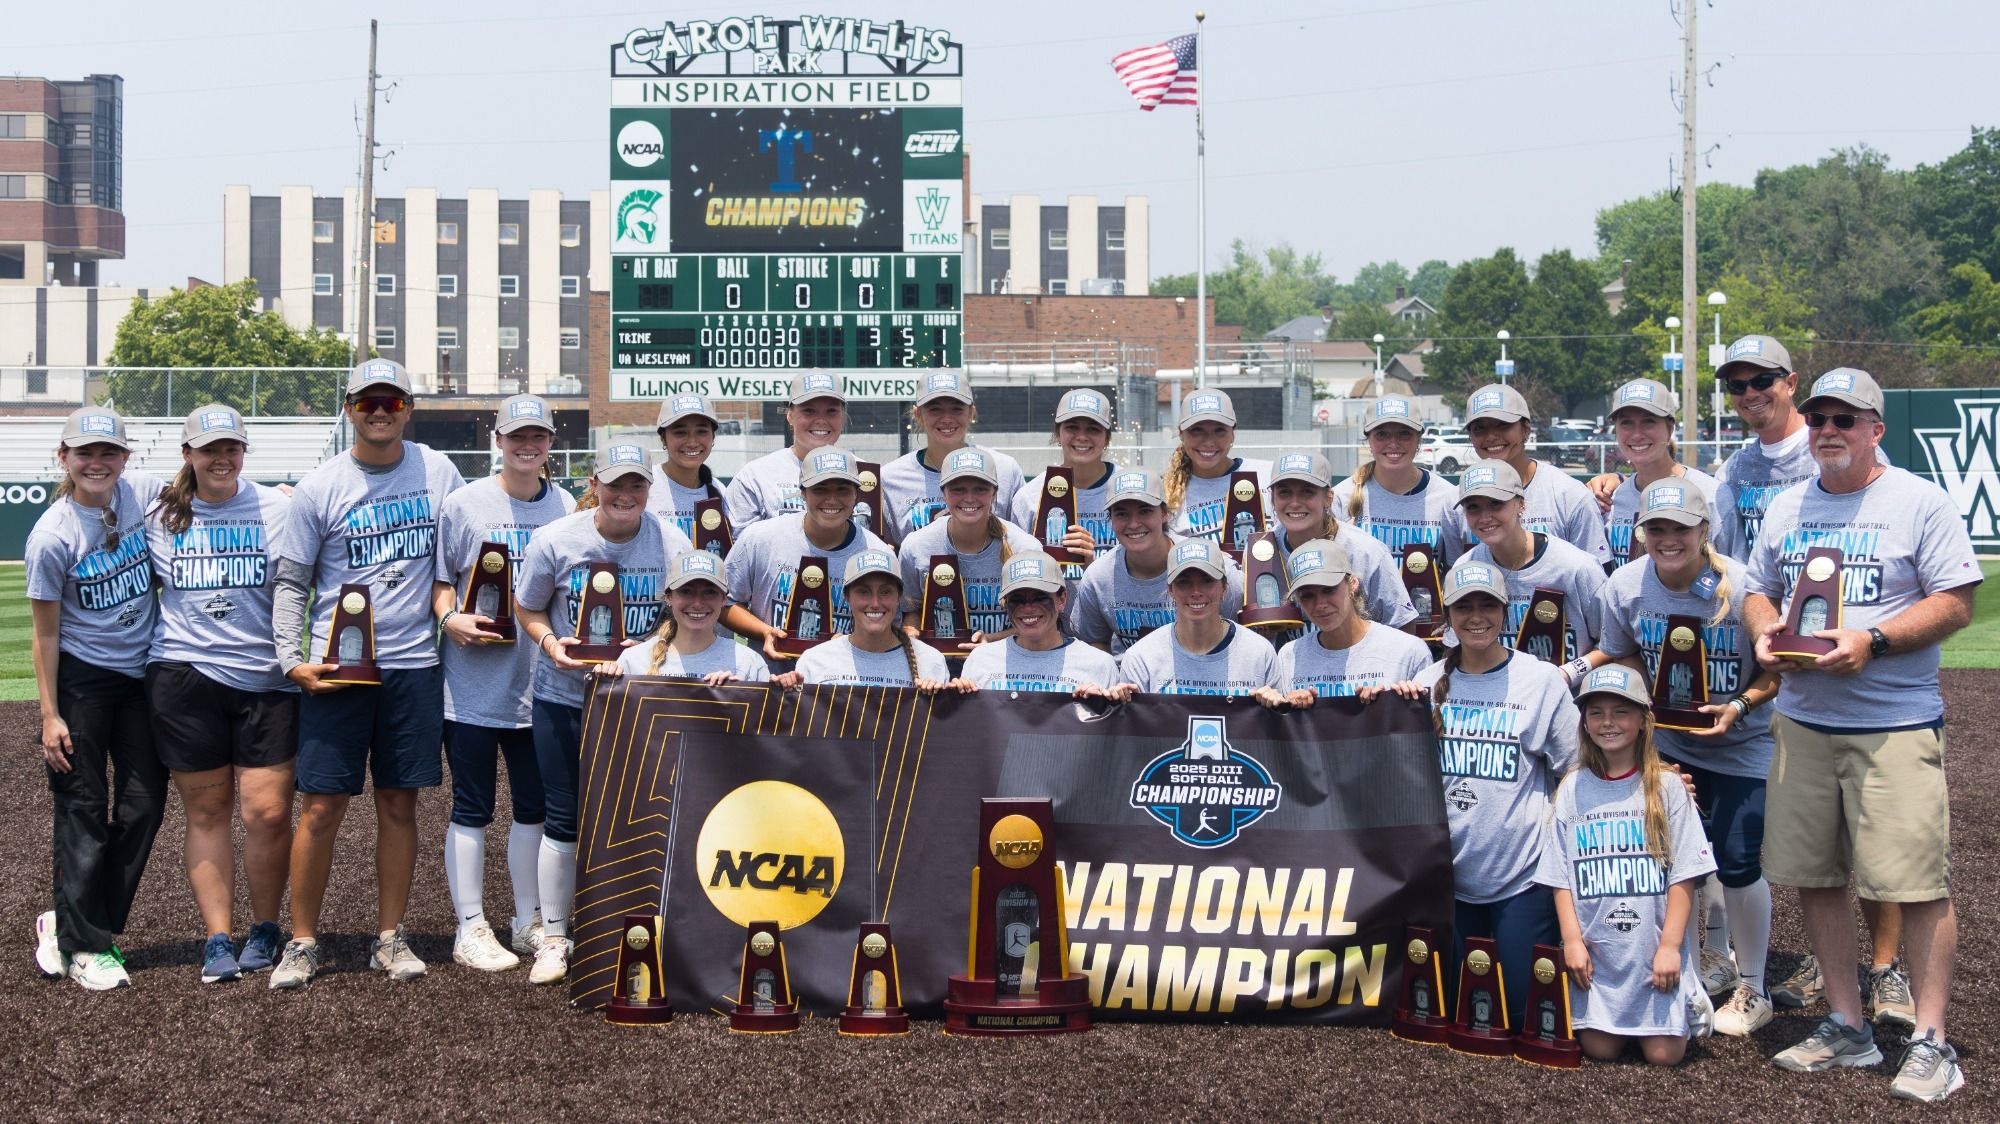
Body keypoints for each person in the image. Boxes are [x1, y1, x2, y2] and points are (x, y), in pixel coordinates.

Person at [1745, 368, 1980, 1103]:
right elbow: (1759, 587)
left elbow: (1956, 601)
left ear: (1877, 428)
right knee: (1813, 876)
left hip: (1894, 725)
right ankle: (1848, 1023)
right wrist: (1763, 632)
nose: (1829, 432)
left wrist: (1873, 641)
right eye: (1818, 419)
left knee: (1913, 884)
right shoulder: (1788, 505)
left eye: (1846, 419)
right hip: (1805, 721)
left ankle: (1932, 1040)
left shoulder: (1918, 500)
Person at [268, 359, 464, 990]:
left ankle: (390, 936)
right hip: (340, 670)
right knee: (320, 808)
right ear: (349, 408)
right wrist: (289, 658)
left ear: (408, 407)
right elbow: (292, 582)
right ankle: (301, 942)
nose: (380, 412)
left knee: (399, 805)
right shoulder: (322, 483)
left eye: (391, 401)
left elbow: (457, 562)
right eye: (367, 402)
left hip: (412, 664)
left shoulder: (438, 470)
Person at [1579, 479, 1781, 1035]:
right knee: (1672, 863)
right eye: (1656, 529)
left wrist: (1738, 705)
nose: (1668, 540)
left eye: (1680, 528)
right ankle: (1694, 975)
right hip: (1667, 745)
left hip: (1741, 744)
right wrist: (1643, 715)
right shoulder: (1625, 584)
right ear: (1642, 532)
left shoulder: (1740, 587)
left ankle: (1754, 985)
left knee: (1739, 862)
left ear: (1704, 530)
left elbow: (1776, 668)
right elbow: (1622, 656)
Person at [514, 443, 691, 986]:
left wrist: (650, 650)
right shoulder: (557, 539)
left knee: (644, 817)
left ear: (649, 489)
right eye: (616, 484)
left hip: (641, 704)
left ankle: (638, 930)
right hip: (566, 695)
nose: (625, 495)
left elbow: (686, 611)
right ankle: (553, 937)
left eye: (636, 485)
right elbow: (528, 605)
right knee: (563, 820)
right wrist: (549, 644)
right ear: (595, 483)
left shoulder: (670, 541)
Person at [141, 404, 297, 984]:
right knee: (207, 811)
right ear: (188, 454)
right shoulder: (159, 514)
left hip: (265, 679)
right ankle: (216, 937)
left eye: (231, 447)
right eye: (208, 448)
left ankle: (264, 926)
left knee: (269, 813)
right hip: (184, 679)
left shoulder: (278, 507)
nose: (221, 457)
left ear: (243, 451)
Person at [1396, 559, 1579, 1030]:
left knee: (1522, 1017)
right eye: (1464, 607)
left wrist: (1656, 780)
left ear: (1505, 612)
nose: (1476, 617)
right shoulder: (1424, 686)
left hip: (1522, 874)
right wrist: (1386, 706)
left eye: (1487, 605)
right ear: (1447, 616)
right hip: (1449, 878)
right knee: (1453, 1012)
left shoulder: (1539, 681)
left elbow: (1578, 770)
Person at [432, 393, 575, 973]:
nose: (527, 446)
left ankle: (526, 919)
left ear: (550, 443)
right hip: (470, 684)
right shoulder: (464, 504)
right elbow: (441, 582)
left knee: (533, 808)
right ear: (497, 441)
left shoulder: (566, 505)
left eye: (538, 436)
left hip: (538, 685)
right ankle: (469, 925)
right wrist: (449, 618)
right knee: (471, 806)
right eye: (517, 436)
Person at [27, 406, 166, 991]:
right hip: (83, 680)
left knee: (144, 805)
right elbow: (46, 633)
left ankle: (70, 919)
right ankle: (87, 946)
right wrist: (50, 714)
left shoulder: (140, 493)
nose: (97, 463)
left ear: (125, 459)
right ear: (64, 459)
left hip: (140, 677)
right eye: (84, 453)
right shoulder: (52, 536)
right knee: (81, 808)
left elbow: (212, 480)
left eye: (108, 453)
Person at [1540, 664, 1716, 1065]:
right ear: (1583, 722)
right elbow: (1560, 878)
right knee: (1599, 1050)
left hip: (1652, 951)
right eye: (1596, 712)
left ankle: (1689, 987)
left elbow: (1686, 876)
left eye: (1621, 711)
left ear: (1643, 719)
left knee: (1664, 1056)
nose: (1608, 722)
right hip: (1599, 953)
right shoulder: (1572, 787)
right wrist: (1571, 942)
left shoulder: (1669, 787)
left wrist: (1671, 948)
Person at [724, 446, 893, 663]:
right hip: (772, 683)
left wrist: (856, 641)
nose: (832, 500)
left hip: (843, 686)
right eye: (820, 489)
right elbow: (726, 603)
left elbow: (892, 623)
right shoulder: (761, 538)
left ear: (856, 495)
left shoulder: (875, 553)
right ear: (802, 492)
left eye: (843, 490)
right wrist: (764, 632)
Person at [1071, 470, 1244, 663]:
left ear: (1164, 514)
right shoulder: (1098, 578)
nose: (1134, 524)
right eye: (1122, 514)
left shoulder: (1216, 570)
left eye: (1145, 511)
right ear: (1110, 519)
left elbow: (1242, 638)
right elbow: (1096, 644)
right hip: (1132, 686)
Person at [1455, 460, 1607, 669]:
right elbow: (1455, 646)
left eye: (1496, 503)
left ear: (1521, 504)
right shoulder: (1465, 567)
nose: (1484, 517)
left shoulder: (1575, 567)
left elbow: (1613, 644)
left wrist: (1568, 674)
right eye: (1473, 507)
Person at [895, 447, 1041, 652]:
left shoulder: (1025, 549)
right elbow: (911, 609)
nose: (970, 498)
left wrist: (992, 641)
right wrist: (912, 632)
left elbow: (1043, 622)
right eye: (958, 489)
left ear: (994, 493)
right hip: (939, 667)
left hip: (1006, 665)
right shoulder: (917, 547)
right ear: (943, 494)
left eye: (980, 489)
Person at [1254, 539, 1431, 707]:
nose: (1320, 605)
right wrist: (1286, 708)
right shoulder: (1289, 656)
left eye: (1329, 589)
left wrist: (1392, 705)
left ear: (1353, 584)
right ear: (1297, 600)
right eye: (1307, 595)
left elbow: (1427, 728)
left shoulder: (1409, 651)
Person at [1265, 451, 1415, 636]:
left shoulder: (1366, 551)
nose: (1295, 503)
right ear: (1272, 499)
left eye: (1307, 492)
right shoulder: (1262, 549)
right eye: (1284, 493)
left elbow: (1402, 625)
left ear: (1328, 498)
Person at [1462, 383, 1609, 565]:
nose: (1491, 436)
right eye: (1479, 428)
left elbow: (1597, 578)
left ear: (1526, 430)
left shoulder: (1570, 495)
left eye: (1503, 425)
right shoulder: (1462, 501)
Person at [1113, 539, 1277, 697]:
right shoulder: (1141, 657)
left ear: (1225, 587)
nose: (1196, 592)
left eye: (1207, 581)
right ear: (1170, 589)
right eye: (1184, 582)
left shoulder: (1259, 653)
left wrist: (1276, 707)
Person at [880, 370, 1028, 544]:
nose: (947, 419)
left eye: (956, 409)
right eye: (935, 409)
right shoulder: (890, 479)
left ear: (971, 413)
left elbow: (1023, 541)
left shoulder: (1004, 469)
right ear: (918, 414)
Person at [777, 551, 953, 690]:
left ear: (898, 598)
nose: (875, 604)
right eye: (863, 592)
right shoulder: (815, 660)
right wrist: (784, 691)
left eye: (885, 592)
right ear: (847, 597)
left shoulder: (930, 661)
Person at [955, 552, 1120, 696]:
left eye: (1040, 597)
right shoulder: (981, 660)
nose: (1028, 608)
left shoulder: (1099, 665)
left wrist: (1097, 705)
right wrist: (958, 700)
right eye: (1017, 599)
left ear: (1062, 599)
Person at [1335, 395, 1469, 568]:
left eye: (1404, 434)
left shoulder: (1447, 498)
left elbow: (1457, 571)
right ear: (1368, 438)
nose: (1393, 444)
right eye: (1382, 434)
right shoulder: (1342, 497)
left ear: (1419, 437)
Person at [1601, 378, 1718, 568]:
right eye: (1626, 423)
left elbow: (1734, 571)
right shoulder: (1611, 498)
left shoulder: (1710, 494)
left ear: (1670, 428)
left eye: (1648, 422)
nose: (1637, 434)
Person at [607, 550, 770, 685]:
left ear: (724, 599)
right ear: (669, 597)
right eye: (686, 591)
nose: (698, 603)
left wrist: (739, 697)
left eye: (709, 592)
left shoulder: (748, 662)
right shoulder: (634, 659)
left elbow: (763, 723)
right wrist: (606, 682)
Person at [1009, 388, 1121, 580]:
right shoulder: (1029, 497)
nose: (1082, 436)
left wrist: (1092, 565)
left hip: (1115, 608)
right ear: (1058, 434)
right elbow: (1014, 569)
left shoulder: (1127, 490)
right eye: (1072, 427)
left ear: (1107, 438)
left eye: (1093, 429)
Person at [721, 371, 848, 527]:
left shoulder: (865, 475)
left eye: (831, 411)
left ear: (841, 417)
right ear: (790, 417)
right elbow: (743, 547)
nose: (821, 420)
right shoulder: (755, 477)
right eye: (809, 411)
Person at [1165, 389, 1274, 544]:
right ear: (1181, 435)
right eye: (1197, 430)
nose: (1209, 441)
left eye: (1219, 430)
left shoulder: (1267, 475)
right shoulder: (1169, 495)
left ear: (1232, 434)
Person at [647, 394, 729, 545]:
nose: (692, 442)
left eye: (701, 432)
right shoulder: (644, 486)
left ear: (713, 437)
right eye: (681, 433)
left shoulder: (720, 491)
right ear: (663, 438)